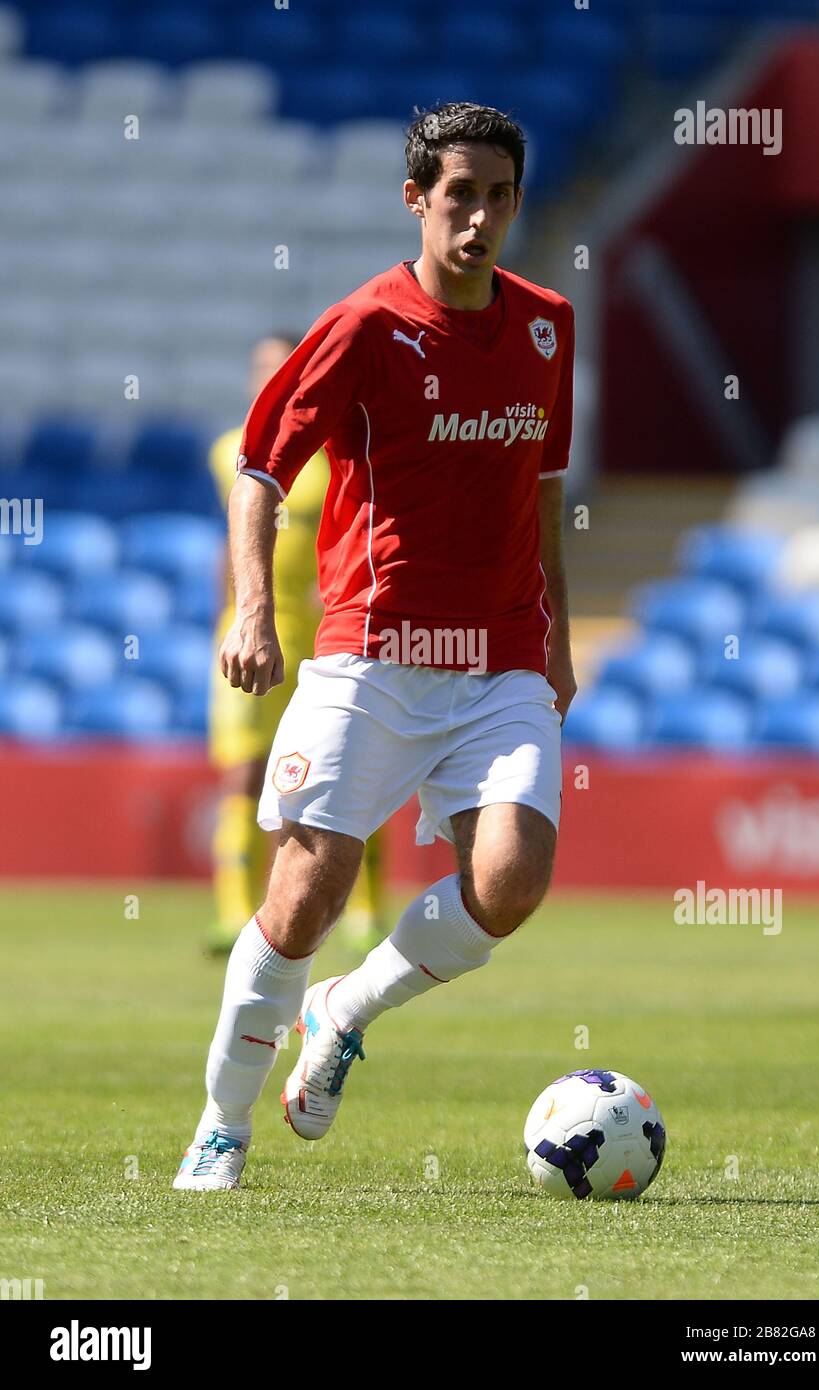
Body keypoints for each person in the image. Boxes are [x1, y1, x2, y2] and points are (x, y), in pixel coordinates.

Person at [174, 101, 576, 1192]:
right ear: (416, 199)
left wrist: (557, 641)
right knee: (305, 893)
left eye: (498, 195)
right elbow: (259, 472)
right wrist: (253, 611)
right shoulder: (362, 325)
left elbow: (542, 497)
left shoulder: (546, 324)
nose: (479, 216)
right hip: (369, 653)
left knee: (509, 880)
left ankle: (346, 1008)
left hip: (498, 657)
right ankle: (223, 1124)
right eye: (459, 195)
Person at [206, 335, 386, 959]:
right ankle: (235, 914)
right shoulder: (230, 451)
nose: (265, 378)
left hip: (326, 628)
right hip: (254, 620)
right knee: (245, 774)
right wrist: (226, 616)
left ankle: (365, 911)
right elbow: (227, 541)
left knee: (353, 770)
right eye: (258, 367)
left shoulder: (335, 444)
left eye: (277, 367)